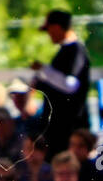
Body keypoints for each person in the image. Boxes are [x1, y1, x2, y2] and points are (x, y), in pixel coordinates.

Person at [30, 9, 91, 158]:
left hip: (70, 127)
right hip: (59, 128)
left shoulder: (76, 50)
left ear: (56, 27)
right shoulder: (65, 51)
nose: (49, 34)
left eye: (49, 29)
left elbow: (71, 85)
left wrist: (44, 70)